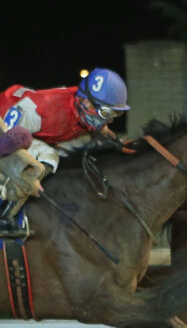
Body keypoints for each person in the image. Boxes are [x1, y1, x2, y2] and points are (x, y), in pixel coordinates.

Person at [0, 67, 129, 236]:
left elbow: (100, 125)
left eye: (114, 115)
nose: (109, 120)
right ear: (86, 102)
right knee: (48, 155)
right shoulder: (46, 109)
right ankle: (5, 216)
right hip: (9, 124)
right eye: (106, 113)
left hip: (28, 125)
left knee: (67, 150)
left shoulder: (83, 106)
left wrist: (112, 138)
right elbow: (9, 135)